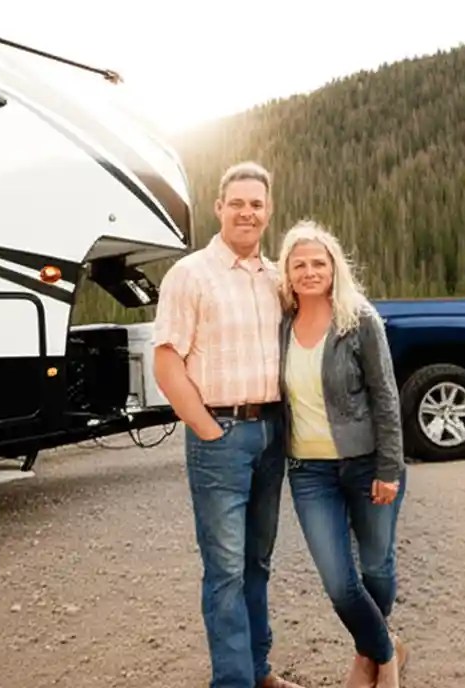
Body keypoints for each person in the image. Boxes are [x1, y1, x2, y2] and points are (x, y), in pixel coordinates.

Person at [153, 161, 306, 688]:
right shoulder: (190, 275)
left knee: (257, 563)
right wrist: (207, 428)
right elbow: (167, 361)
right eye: (237, 203)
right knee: (225, 570)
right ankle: (233, 681)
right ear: (219, 207)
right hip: (220, 435)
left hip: (271, 433)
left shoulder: (276, 280)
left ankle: (259, 671)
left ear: (268, 211)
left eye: (257, 204)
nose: (247, 212)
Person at [275, 220, 407, 688]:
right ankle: (388, 654)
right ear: (286, 274)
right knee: (338, 581)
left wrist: (390, 469)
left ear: (334, 268)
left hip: (369, 463)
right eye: (299, 264)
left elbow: (386, 397)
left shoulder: (359, 319)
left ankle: (365, 658)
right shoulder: (282, 325)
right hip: (308, 471)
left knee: (377, 566)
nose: (310, 271)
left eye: (318, 263)